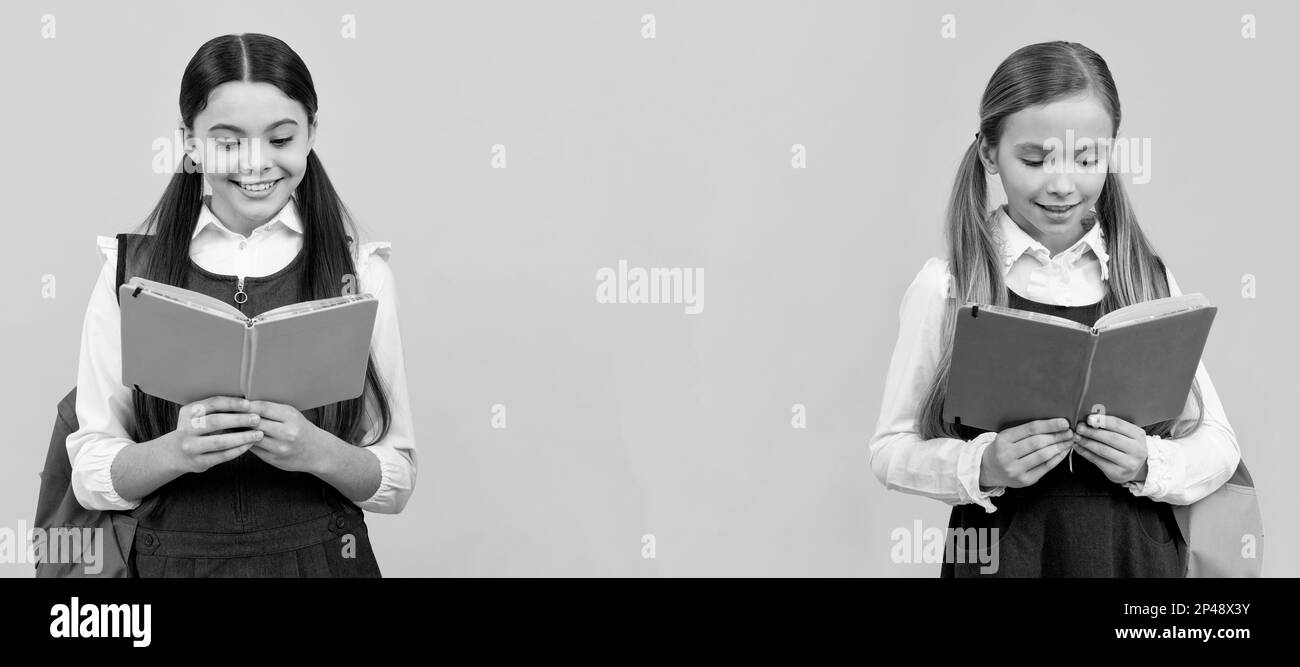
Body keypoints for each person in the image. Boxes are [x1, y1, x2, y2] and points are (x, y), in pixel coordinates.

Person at [868, 41, 1239, 577]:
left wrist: (1150, 463)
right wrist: (984, 465)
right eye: (1035, 160)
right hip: (1005, 559)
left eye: (1087, 158)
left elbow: (1218, 443)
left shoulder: (1145, 277)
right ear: (989, 153)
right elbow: (890, 449)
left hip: (1131, 559)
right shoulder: (948, 285)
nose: (1063, 184)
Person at [67, 33, 417, 577]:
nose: (256, 164)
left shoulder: (361, 271)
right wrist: (177, 450)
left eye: (280, 138)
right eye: (227, 143)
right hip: (175, 566)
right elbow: (90, 472)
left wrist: (315, 451)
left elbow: (394, 480)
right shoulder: (129, 270)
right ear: (188, 142)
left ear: (311, 134)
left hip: (321, 563)